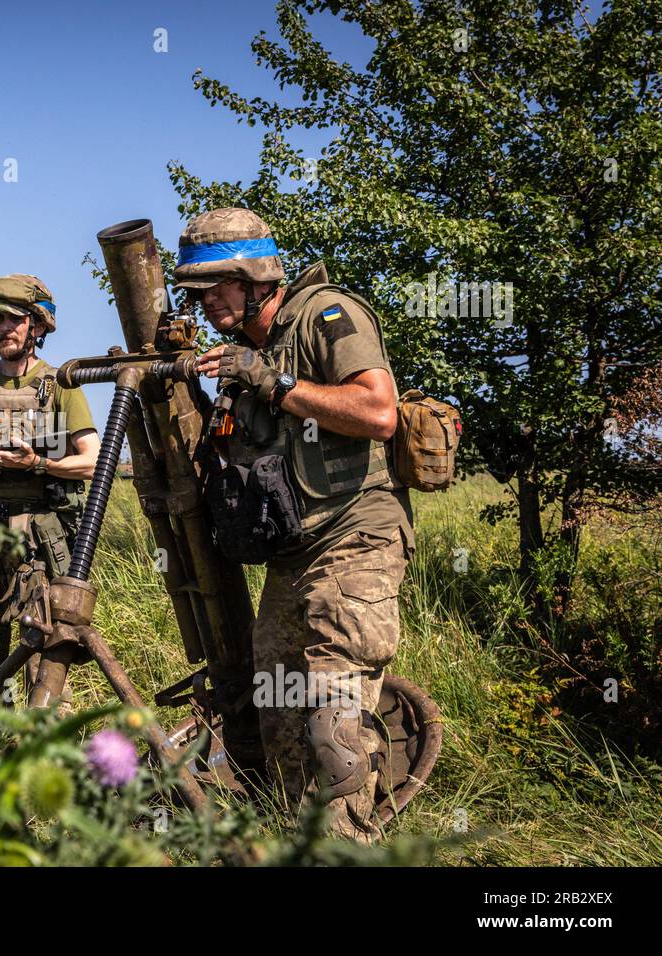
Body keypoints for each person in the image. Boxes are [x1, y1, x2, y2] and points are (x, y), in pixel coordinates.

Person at [177, 208, 414, 841]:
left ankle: (348, 850)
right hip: (292, 556)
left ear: (256, 277)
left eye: (216, 286)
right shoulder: (239, 355)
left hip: (355, 536)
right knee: (278, 717)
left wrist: (272, 381)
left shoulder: (326, 316)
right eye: (195, 290)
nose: (204, 301)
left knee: (329, 719)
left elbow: (378, 411)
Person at [0, 274, 100, 697]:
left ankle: (40, 739)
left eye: (14, 319)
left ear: (38, 327)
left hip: (38, 538)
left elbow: (93, 460)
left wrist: (39, 462)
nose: (4, 329)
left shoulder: (59, 386)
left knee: (39, 642)